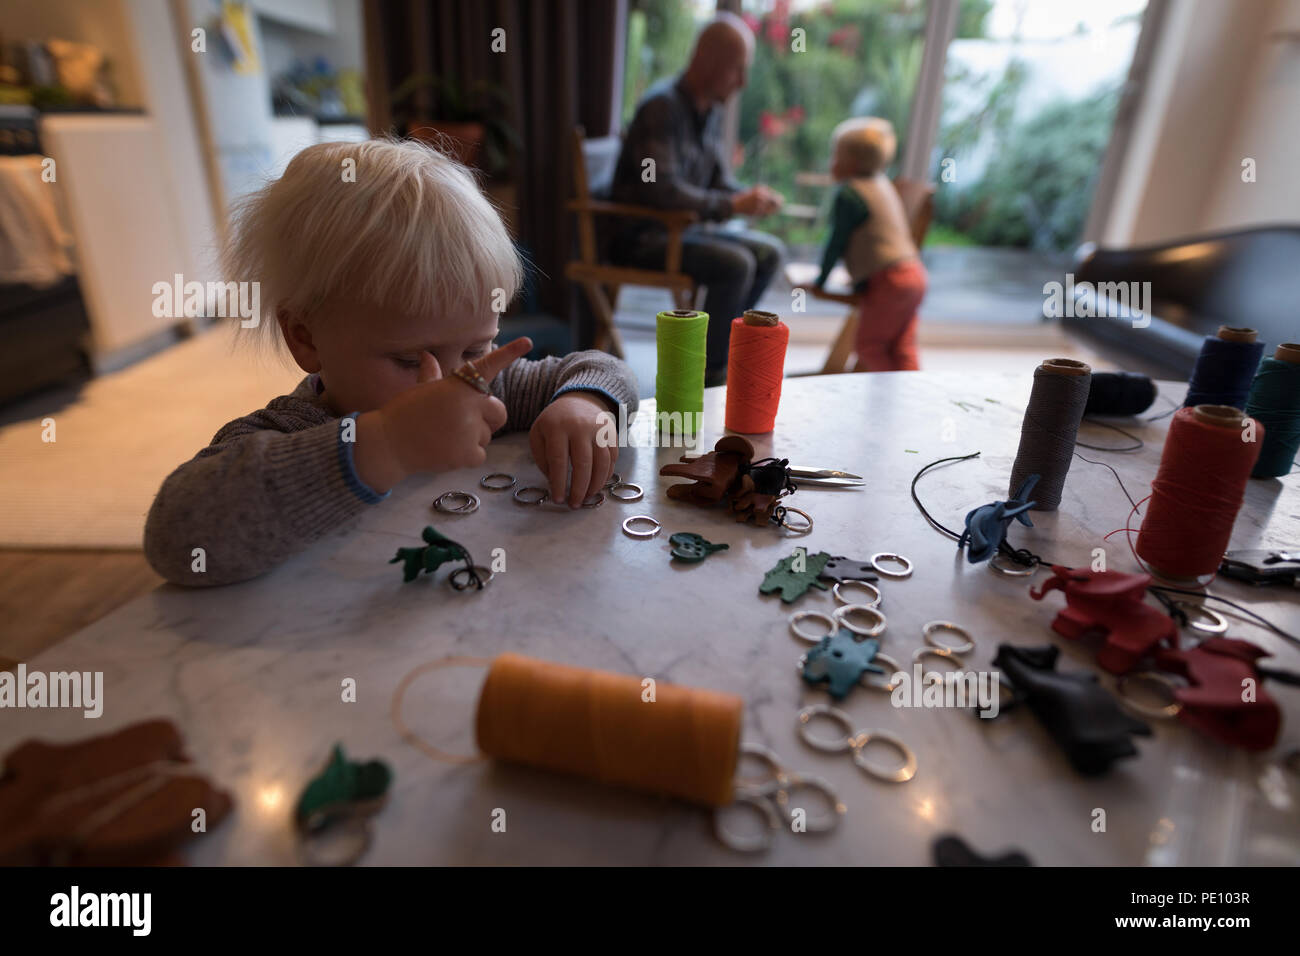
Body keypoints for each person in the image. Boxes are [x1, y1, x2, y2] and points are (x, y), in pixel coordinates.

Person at [144, 138, 637, 587]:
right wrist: (389, 444)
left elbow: (602, 367)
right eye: (407, 360)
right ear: (305, 337)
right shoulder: (291, 429)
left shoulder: (484, 391)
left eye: (473, 350)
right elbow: (178, 538)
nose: (448, 382)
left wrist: (584, 400)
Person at [611, 13, 785, 386]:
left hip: (683, 231)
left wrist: (746, 198)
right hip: (644, 236)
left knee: (770, 253)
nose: (743, 81)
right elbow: (660, 190)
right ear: (707, 61)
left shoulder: (709, 112)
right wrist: (732, 206)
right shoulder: (661, 108)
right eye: (737, 69)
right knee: (735, 264)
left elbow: (717, 181)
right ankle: (712, 377)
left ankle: (731, 356)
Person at [815, 117, 927, 372]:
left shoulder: (850, 194)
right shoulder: (883, 183)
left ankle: (891, 391)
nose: (831, 161)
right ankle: (914, 393)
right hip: (914, 276)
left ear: (852, 162)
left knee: (869, 346)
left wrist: (820, 280)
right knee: (902, 345)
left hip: (890, 282)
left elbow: (837, 241)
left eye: (836, 155)